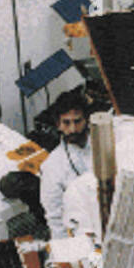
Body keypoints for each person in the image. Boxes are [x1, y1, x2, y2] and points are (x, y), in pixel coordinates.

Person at [40, 88, 92, 239]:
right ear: (58, 124)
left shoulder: (104, 142)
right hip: (82, 232)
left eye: (77, 121)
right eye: (66, 123)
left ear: (86, 120)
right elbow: (55, 217)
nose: (73, 129)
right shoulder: (52, 166)